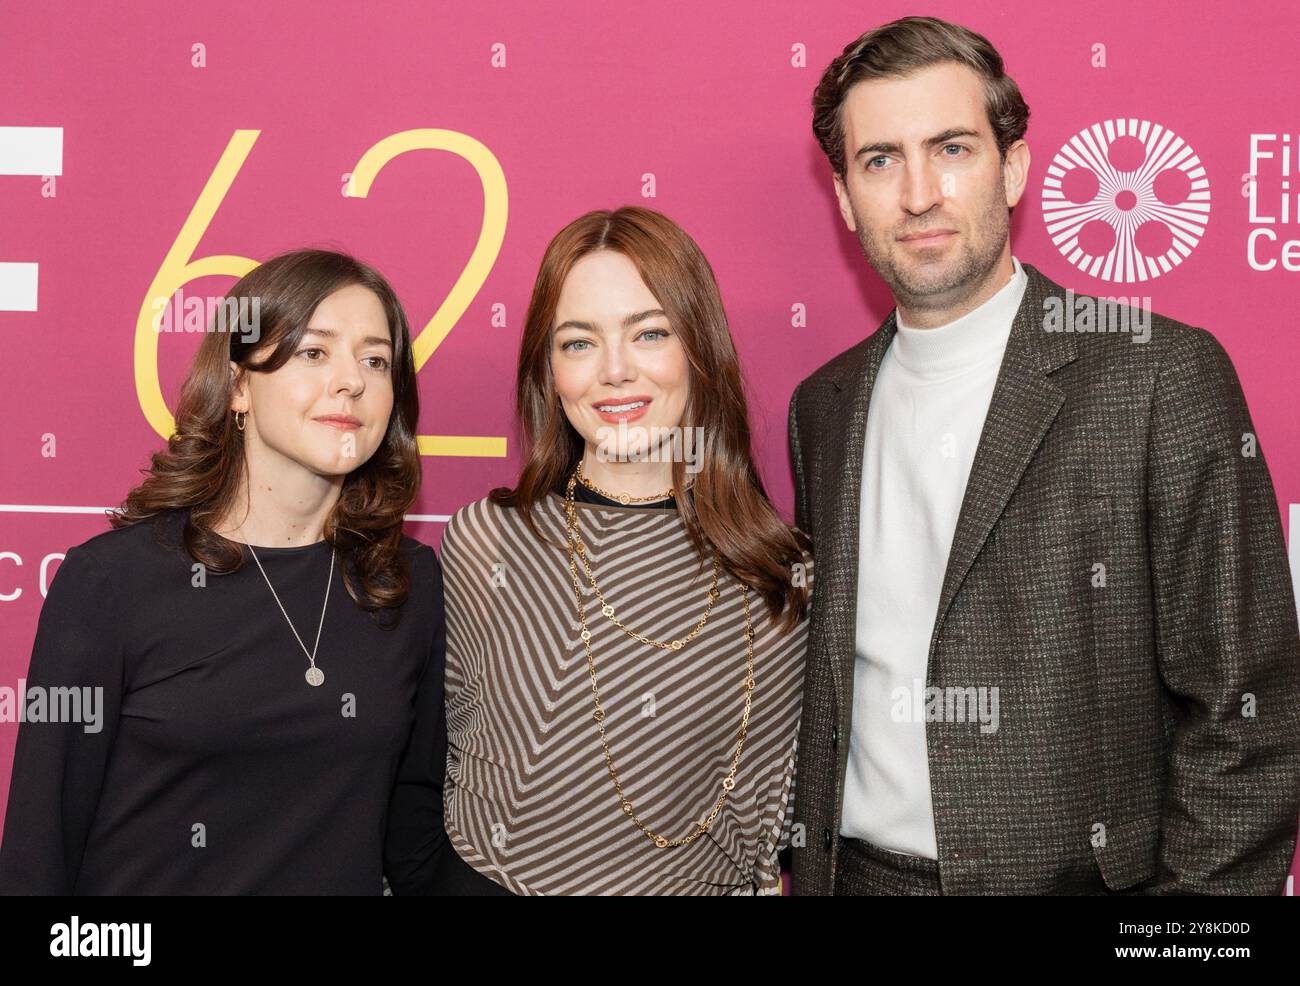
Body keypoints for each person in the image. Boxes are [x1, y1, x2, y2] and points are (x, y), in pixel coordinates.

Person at [789, 15, 1300, 895]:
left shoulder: (1157, 375)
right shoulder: (823, 406)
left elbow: (1249, 720)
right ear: (842, 197)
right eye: (880, 160)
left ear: (1014, 167)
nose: (918, 193)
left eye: (951, 148)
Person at [0, 248, 448, 895]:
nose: (351, 380)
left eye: (375, 360)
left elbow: (414, 842)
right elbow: (38, 858)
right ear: (239, 384)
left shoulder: (406, 583)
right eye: (314, 352)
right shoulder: (110, 584)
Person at [426, 206, 812, 894]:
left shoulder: (784, 573)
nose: (614, 371)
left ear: (700, 348)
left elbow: (777, 819)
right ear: (547, 371)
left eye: (650, 333)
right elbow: (439, 768)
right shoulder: (489, 540)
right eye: (577, 343)